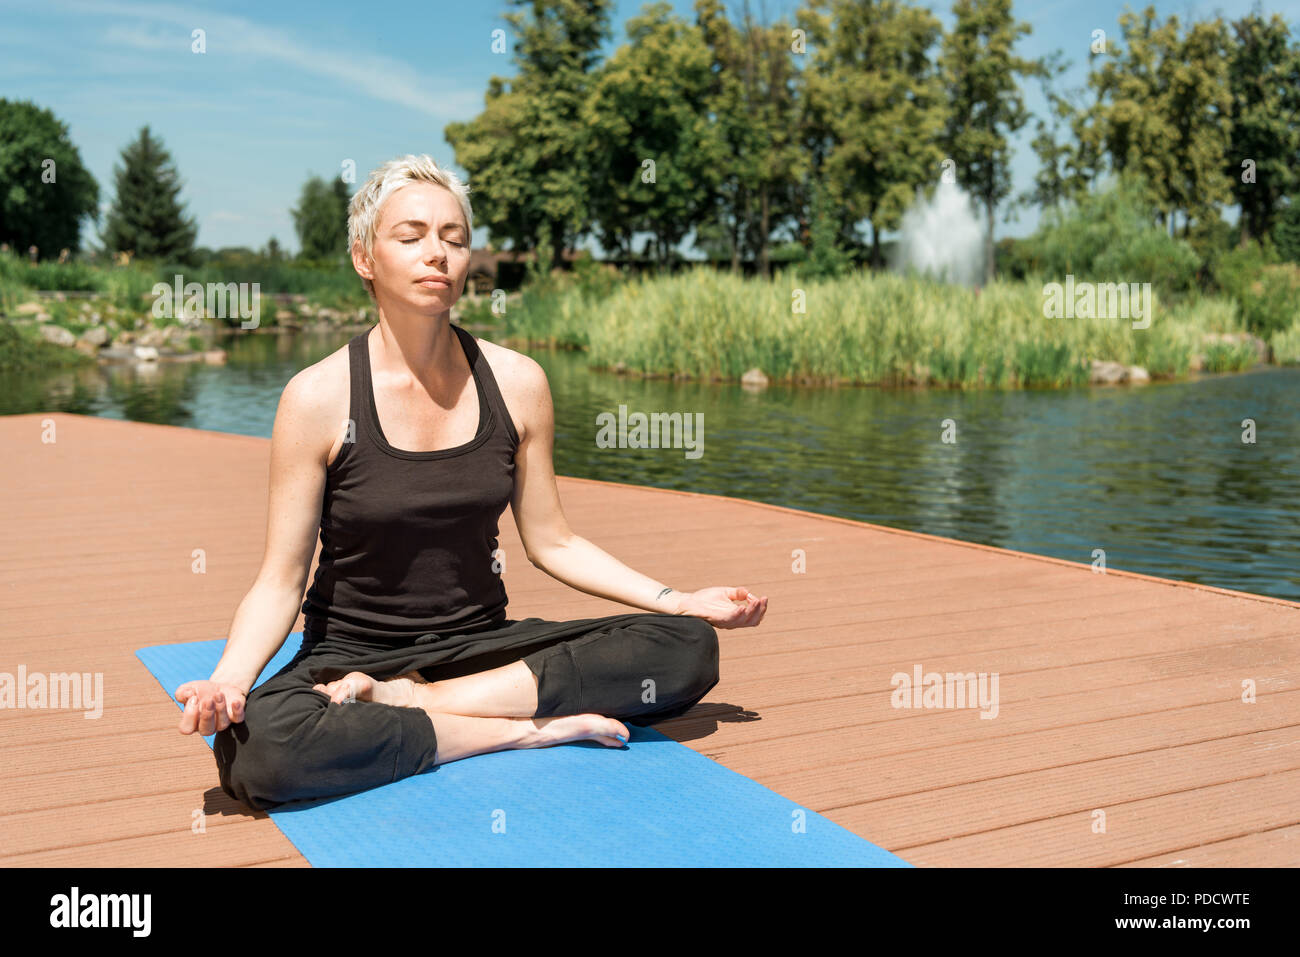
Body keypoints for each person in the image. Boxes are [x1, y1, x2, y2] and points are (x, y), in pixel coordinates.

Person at [173, 154, 768, 811]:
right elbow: (280, 579)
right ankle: (517, 732)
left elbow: (554, 542)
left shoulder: (517, 382)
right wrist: (228, 679)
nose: (438, 253)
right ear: (365, 258)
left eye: (454, 239)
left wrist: (679, 599)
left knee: (687, 646)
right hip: (352, 654)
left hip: (483, 649)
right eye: (412, 236)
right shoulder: (315, 397)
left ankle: (428, 707)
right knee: (258, 746)